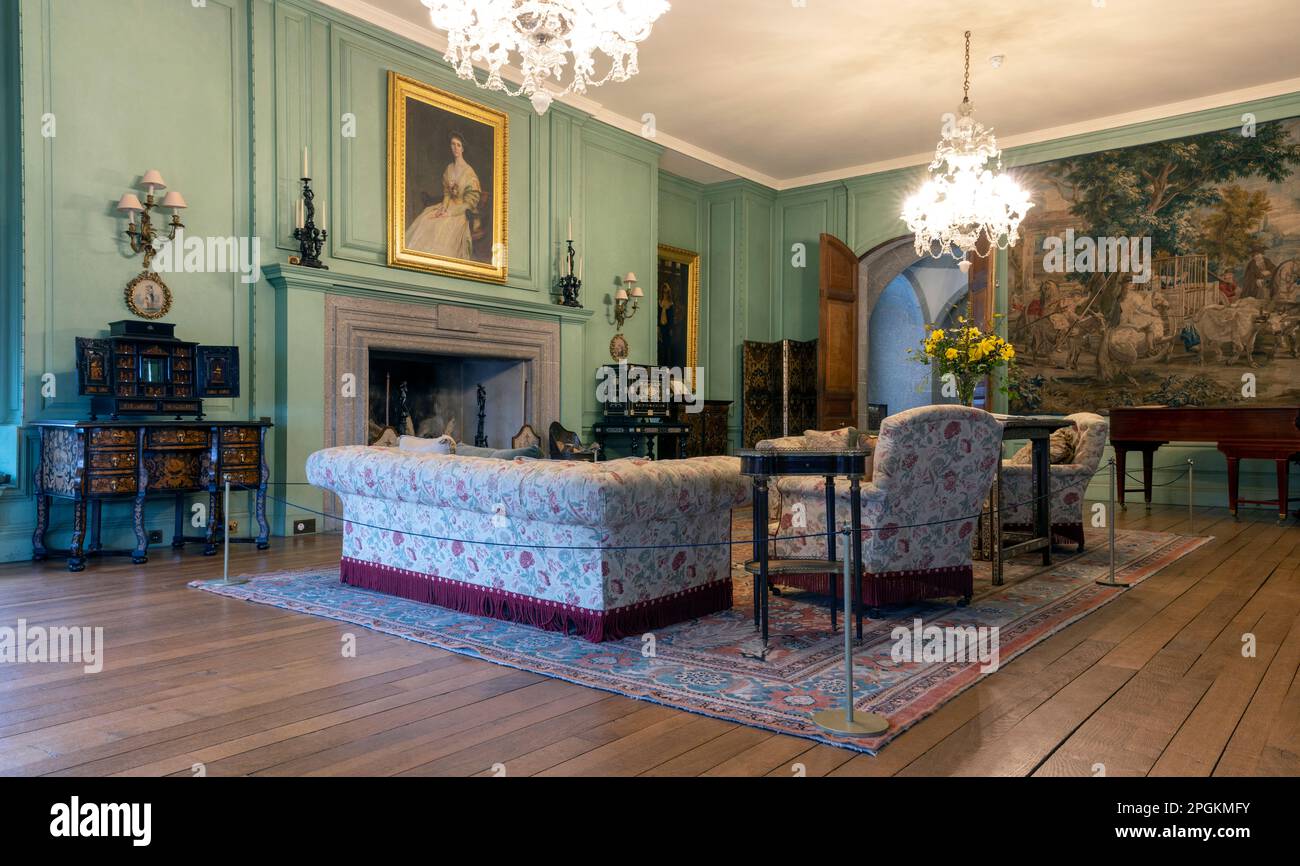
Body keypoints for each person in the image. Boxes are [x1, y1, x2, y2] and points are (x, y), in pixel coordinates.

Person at [406, 131, 482, 260]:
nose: (455, 148)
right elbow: (447, 193)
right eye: (453, 144)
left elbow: (469, 203)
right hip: (448, 205)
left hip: (462, 211)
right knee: (427, 219)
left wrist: (450, 213)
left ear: (463, 148)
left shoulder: (470, 174)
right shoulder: (449, 168)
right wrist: (443, 208)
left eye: (458, 145)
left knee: (443, 226)